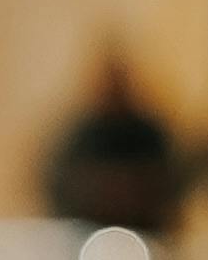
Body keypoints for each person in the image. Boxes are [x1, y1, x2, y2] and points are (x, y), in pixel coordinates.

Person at [41, 47, 191, 243]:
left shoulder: (149, 134)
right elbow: (58, 182)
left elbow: (173, 180)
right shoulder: (81, 136)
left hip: (146, 239)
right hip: (88, 239)